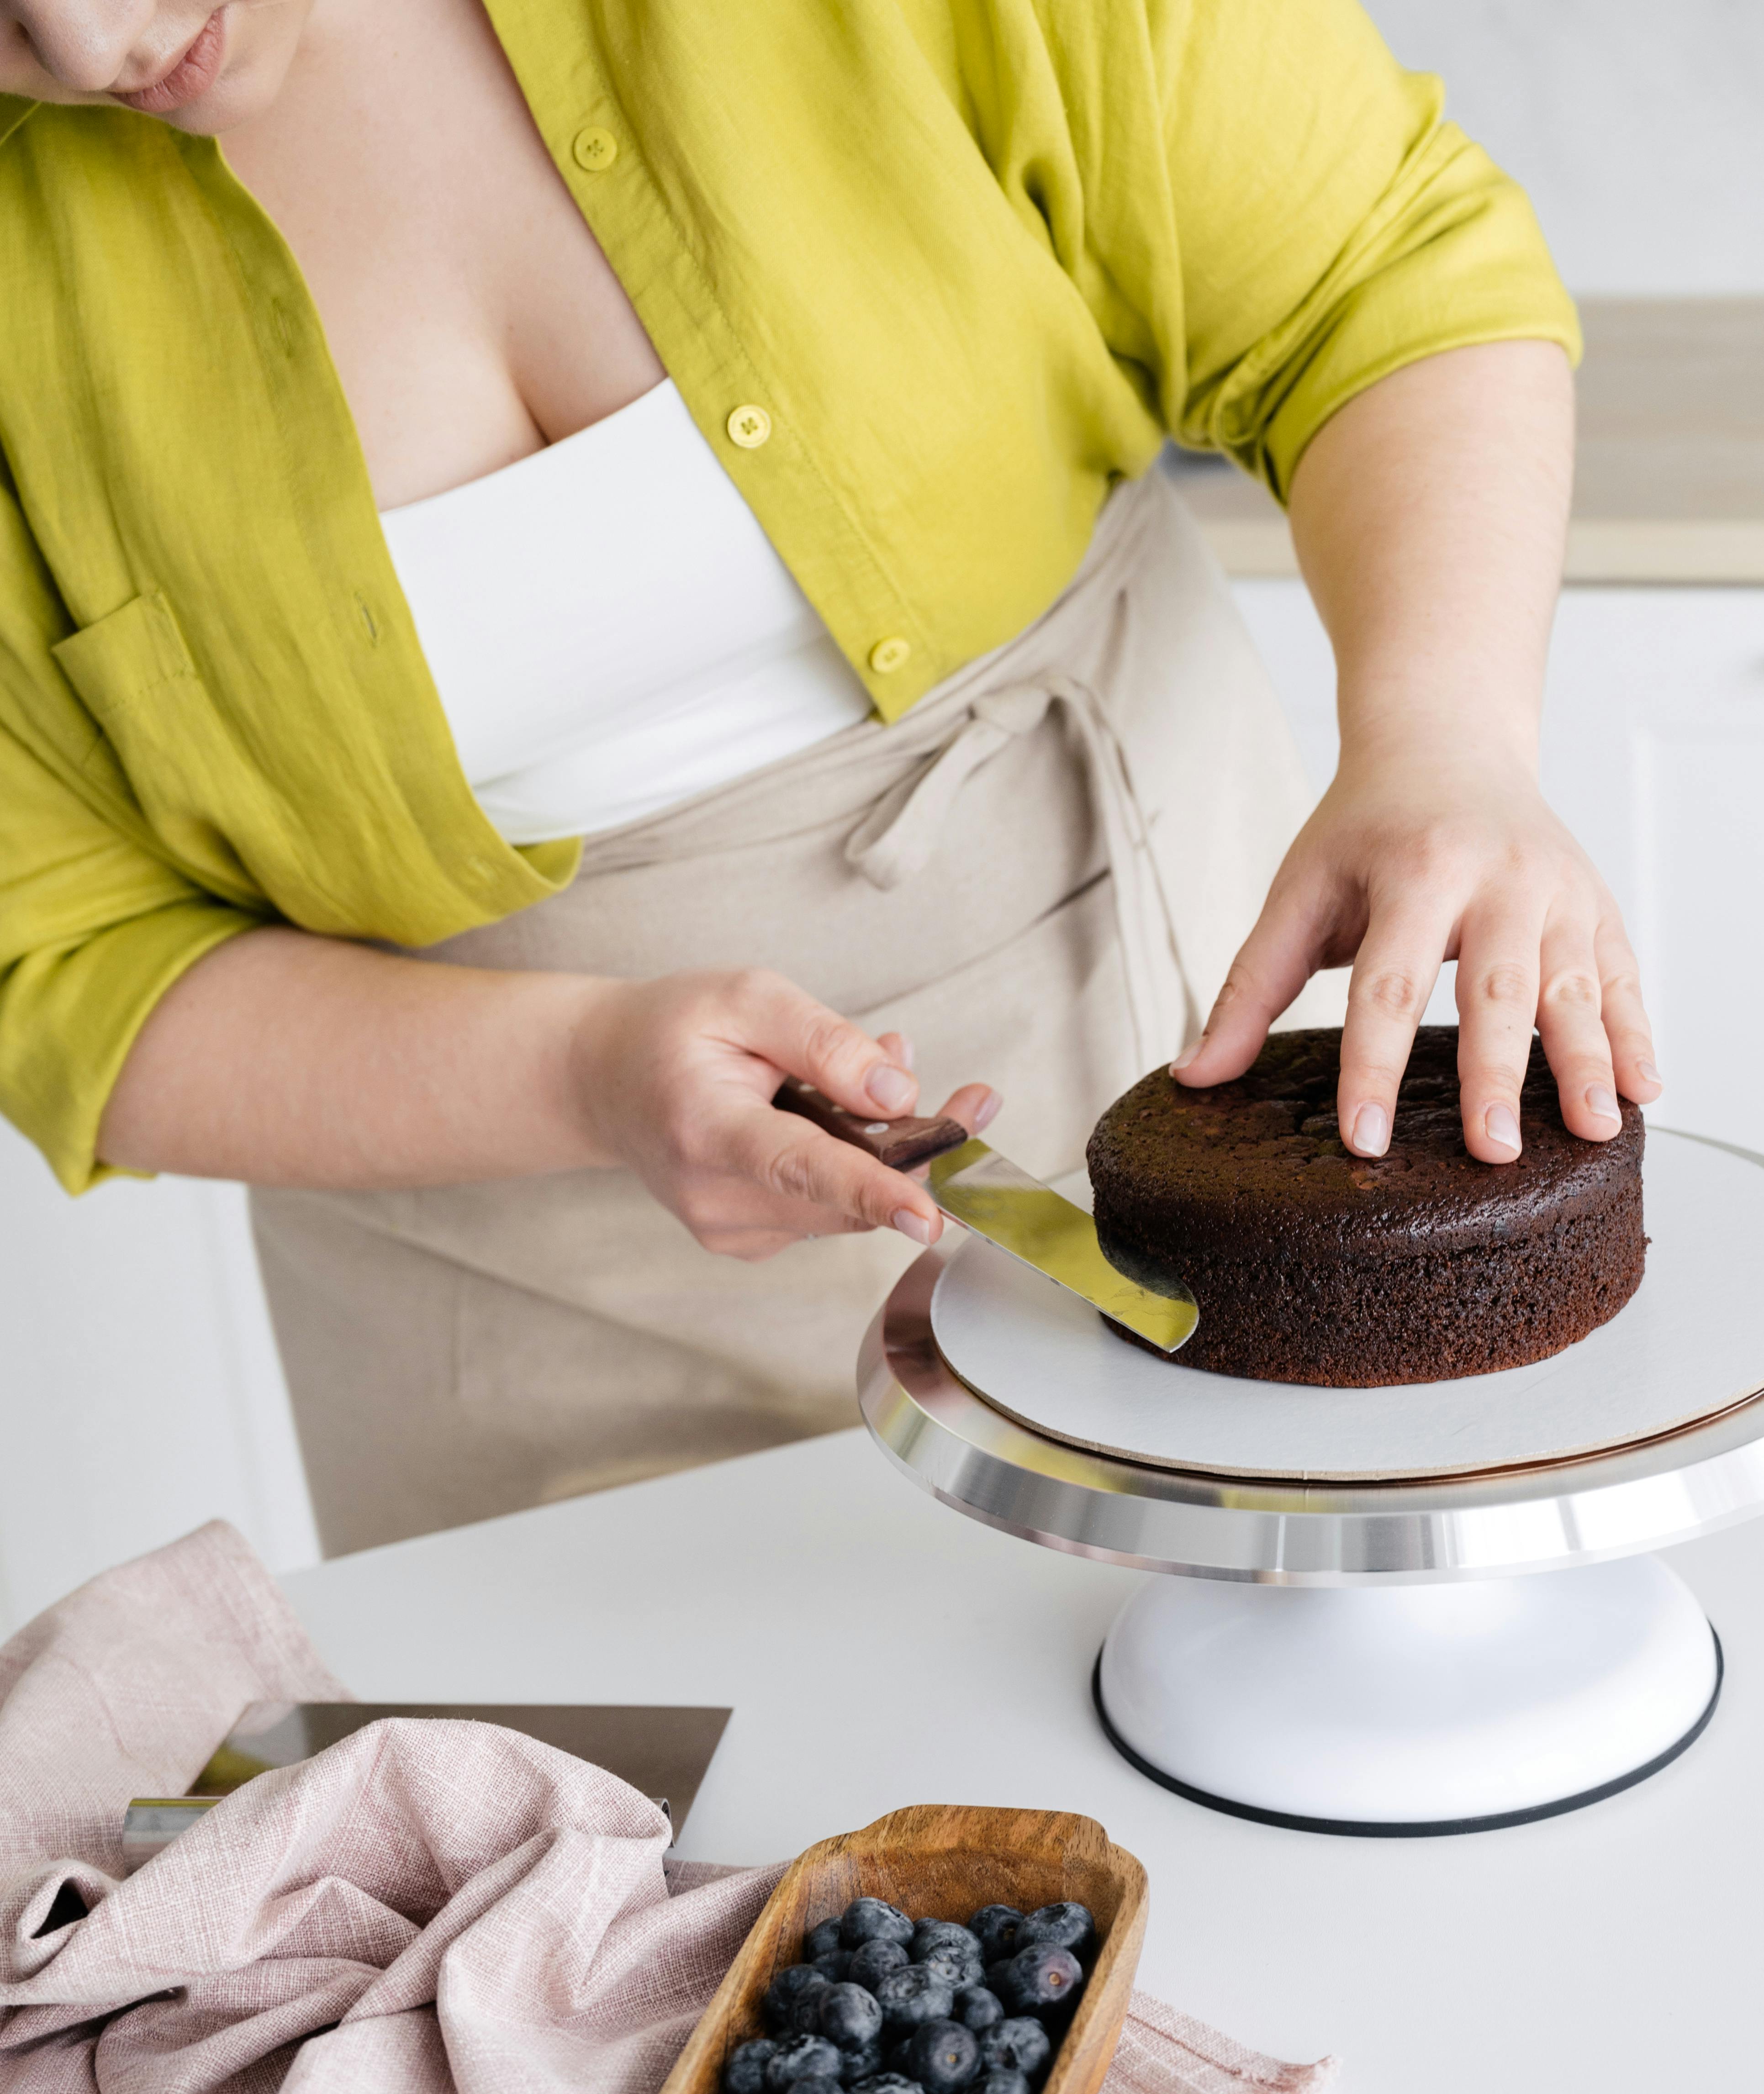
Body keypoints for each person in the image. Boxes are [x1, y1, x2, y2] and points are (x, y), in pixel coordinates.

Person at [0, 0, 1658, 1551]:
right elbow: (61, 966)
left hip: (1158, 1070)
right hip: (500, 1297)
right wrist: (581, 1073)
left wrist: (1443, 733)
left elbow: (1368, 273)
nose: (83, 44)